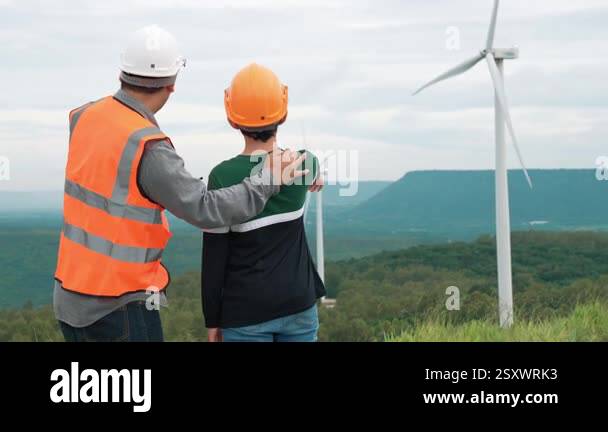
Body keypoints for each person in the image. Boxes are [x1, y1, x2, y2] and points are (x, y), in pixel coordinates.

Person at [54, 26, 315, 342]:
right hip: (119, 304)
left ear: (122, 72)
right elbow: (205, 209)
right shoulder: (149, 148)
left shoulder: (84, 117)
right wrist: (268, 179)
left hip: (69, 296)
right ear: (171, 86)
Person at [202, 63, 326, 342]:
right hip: (299, 304)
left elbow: (214, 258)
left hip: (244, 311)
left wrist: (213, 319)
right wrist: (317, 177)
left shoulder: (222, 177)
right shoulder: (305, 163)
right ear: (282, 113)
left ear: (232, 119)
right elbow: (316, 170)